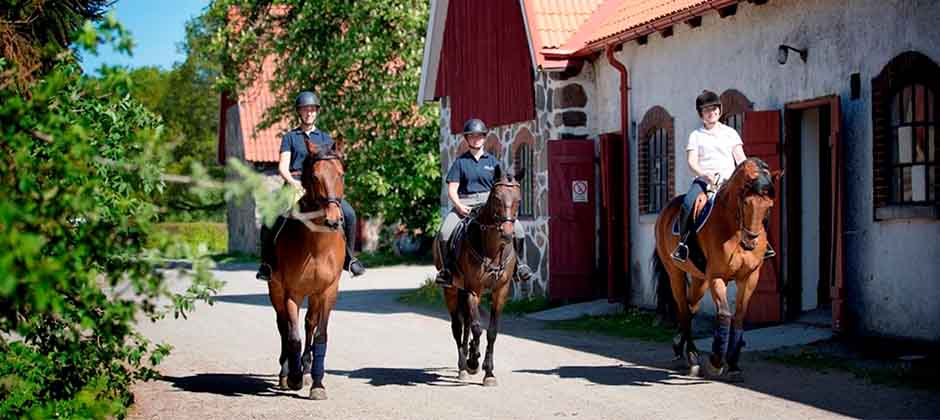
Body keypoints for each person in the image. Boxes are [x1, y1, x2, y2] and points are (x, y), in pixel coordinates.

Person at [256, 91, 366, 280]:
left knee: (349, 214)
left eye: (312, 110)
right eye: (305, 110)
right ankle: (267, 263)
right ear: (299, 112)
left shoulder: (325, 139)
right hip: (294, 184)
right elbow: (283, 166)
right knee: (270, 216)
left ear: (317, 112)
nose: (309, 113)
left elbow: (332, 168)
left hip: (321, 189)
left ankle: (349, 258)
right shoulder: (290, 137)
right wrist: (293, 183)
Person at [673, 90, 775, 263]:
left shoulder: (731, 133)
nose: (711, 113)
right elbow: (692, 162)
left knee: (757, 203)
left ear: (719, 111)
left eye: (714, 109)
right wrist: (704, 174)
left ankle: (764, 244)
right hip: (705, 181)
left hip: (730, 181)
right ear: (701, 114)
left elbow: (741, 158)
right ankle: (684, 245)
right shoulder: (696, 135)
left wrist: (749, 176)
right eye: (706, 110)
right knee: (688, 203)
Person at [435, 118, 533, 287]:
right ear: (467, 139)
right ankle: (447, 271)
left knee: (519, 230)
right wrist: (459, 206)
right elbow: (452, 189)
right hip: (465, 203)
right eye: (472, 136)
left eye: (479, 136)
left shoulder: (492, 162)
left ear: (484, 137)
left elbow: (500, 188)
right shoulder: (460, 162)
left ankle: (520, 266)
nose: (476, 139)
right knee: (444, 233)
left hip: (488, 204)